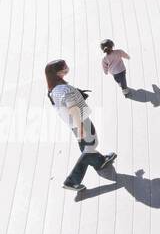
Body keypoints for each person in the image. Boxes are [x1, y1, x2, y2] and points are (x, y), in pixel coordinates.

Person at [46, 60, 117, 192]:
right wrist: (81, 128)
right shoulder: (64, 90)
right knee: (91, 145)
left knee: (86, 146)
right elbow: (73, 109)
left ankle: (100, 162)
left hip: (73, 123)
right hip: (81, 121)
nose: (67, 68)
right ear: (57, 72)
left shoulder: (53, 89)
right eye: (64, 67)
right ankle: (72, 181)